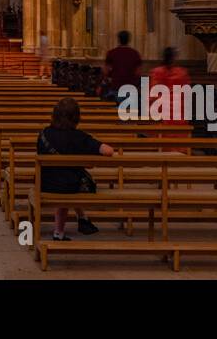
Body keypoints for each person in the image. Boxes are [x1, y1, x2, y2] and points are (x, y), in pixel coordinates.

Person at [37, 97, 114, 240]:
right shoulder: (79, 137)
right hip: (68, 185)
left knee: (65, 176)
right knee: (69, 181)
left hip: (45, 183)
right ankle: (76, 221)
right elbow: (109, 151)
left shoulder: (43, 134)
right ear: (76, 117)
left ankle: (76, 222)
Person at [149, 45, 190, 124]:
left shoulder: (156, 72)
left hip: (161, 113)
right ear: (174, 58)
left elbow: (153, 96)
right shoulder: (182, 73)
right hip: (178, 112)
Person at [102, 30, 141, 101]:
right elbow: (138, 73)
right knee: (130, 111)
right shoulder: (135, 54)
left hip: (116, 87)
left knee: (116, 110)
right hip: (130, 88)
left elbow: (106, 71)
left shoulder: (112, 53)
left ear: (119, 39)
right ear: (129, 40)